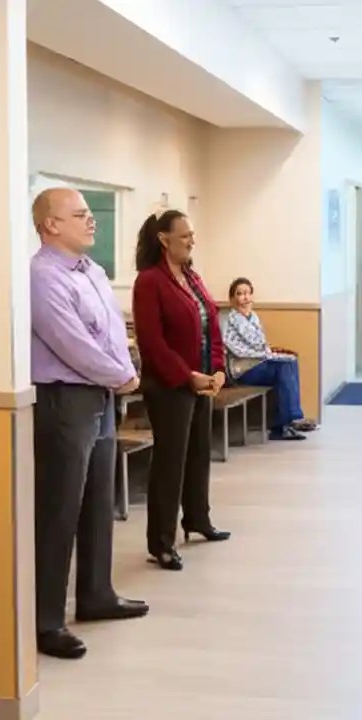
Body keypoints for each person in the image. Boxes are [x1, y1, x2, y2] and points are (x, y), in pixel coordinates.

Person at [30, 187, 149, 660]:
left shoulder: (92, 271)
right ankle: (46, 620)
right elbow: (70, 342)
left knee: (99, 499)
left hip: (101, 394)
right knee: (59, 510)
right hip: (65, 399)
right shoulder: (42, 275)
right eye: (79, 214)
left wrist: (121, 374)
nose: (91, 220)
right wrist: (123, 377)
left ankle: (97, 593)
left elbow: (111, 334)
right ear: (50, 224)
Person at [132, 210, 231, 571]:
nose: (192, 240)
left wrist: (217, 370)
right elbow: (152, 343)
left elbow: (212, 325)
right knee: (169, 464)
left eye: (193, 234)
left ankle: (197, 519)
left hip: (202, 381)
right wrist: (186, 375)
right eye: (185, 235)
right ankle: (161, 541)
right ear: (164, 239)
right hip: (171, 386)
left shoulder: (192, 277)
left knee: (198, 454)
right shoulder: (149, 281)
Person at [223, 277, 316, 440]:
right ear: (232, 299)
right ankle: (289, 421)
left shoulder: (253, 317)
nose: (244, 298)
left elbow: (262, 344)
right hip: (242, 369)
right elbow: (239, 350)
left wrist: (271, 355)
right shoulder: (229, 320)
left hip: (259, 364)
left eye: (247, 293)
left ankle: (283, 426)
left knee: (289, 362)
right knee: (282, 366)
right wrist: (268, 355)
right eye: (239, 294)